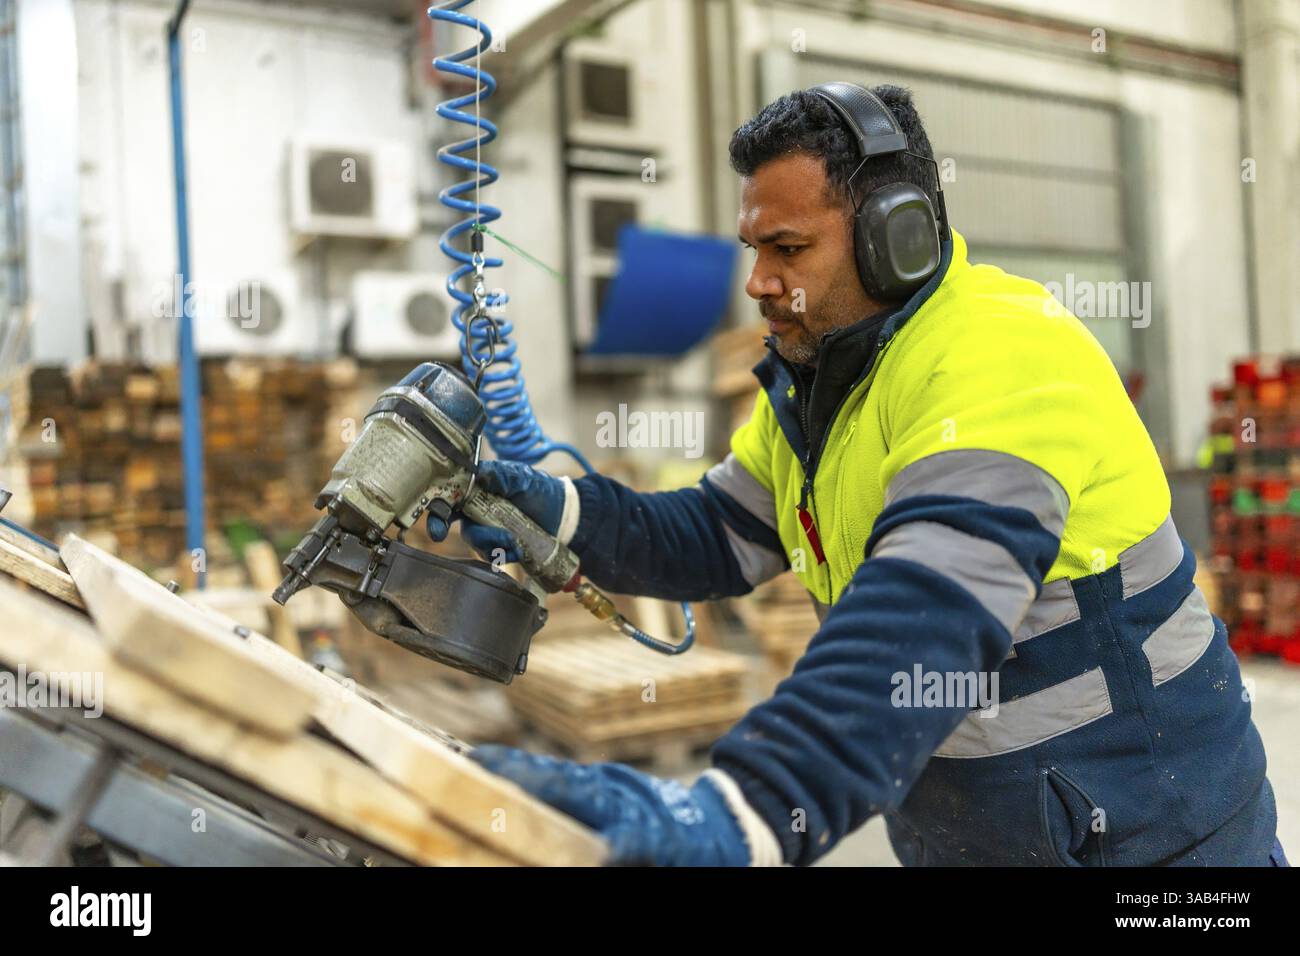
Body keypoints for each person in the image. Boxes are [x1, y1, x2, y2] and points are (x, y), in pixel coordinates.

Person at [428, 82, 1284, 867]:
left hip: (1154, 834)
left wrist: (744, 812)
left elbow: (927, 610)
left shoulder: (1005, 353)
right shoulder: (819, 390)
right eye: (753, 247)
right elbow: (716, 535)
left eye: (788, 247)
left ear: (896, 238)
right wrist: (560, 511)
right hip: (983, 831)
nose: (758, 281)